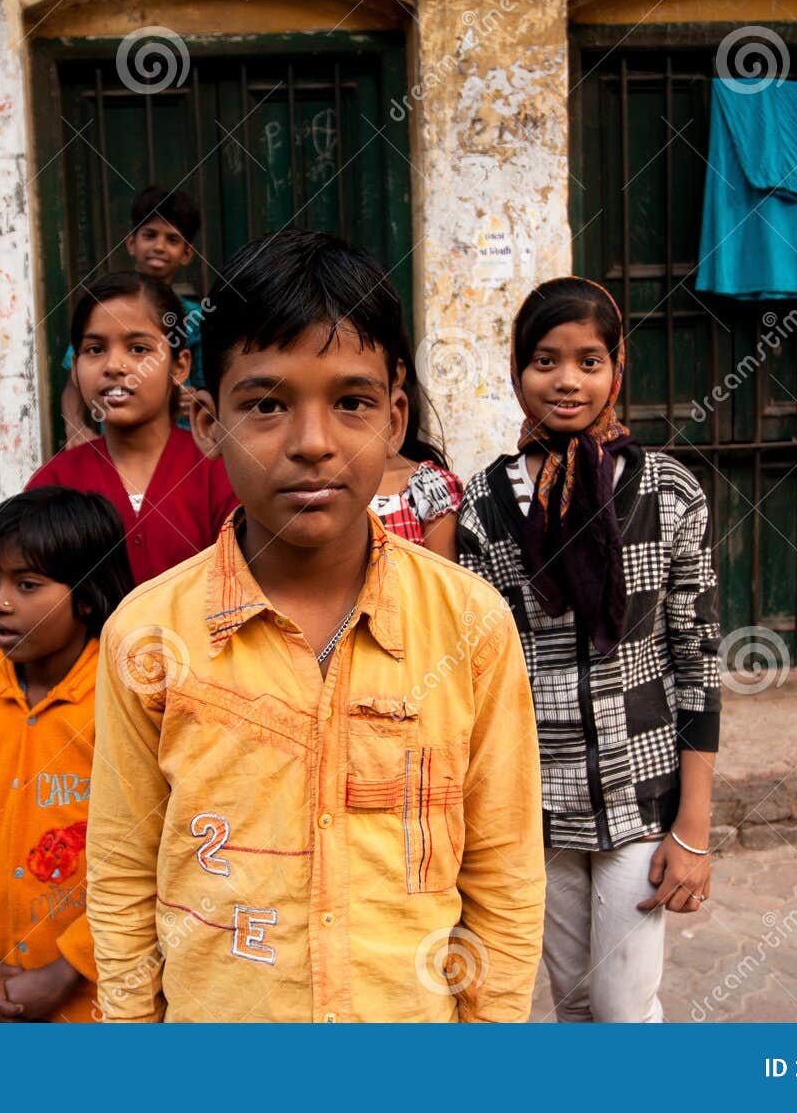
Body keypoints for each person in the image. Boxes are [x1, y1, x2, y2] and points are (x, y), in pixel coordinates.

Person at [86, 228, 545, 1023]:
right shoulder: (149, 635)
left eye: (352, 403)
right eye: (265, 404)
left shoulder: (471, 626)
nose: (311, 443)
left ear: (396, 417)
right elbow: (123, 873)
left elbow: (504, 876)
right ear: (207, 421)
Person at [456, 277, 723, 1023]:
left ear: (617, 369)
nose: (566, 380)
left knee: (624, 1005)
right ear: (516, 372)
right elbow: (481, 672)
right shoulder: (483, 506)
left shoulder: (669, 493)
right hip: (536, 801)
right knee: (571, 1000)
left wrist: (692, 831)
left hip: (641, 796)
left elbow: (698, 660)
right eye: (544, 360)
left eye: (588, 360)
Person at [0, 487, 134, 1023]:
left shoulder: (124, 700)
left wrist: (66, 970)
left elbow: (145, 855)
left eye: (27, 584)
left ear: (86, 595)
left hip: (100, 1004)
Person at [28, 272, 237, 585]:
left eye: (139, 349)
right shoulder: (54, 482)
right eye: (95, 349)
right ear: (75, 367)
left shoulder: (219, 472)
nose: (114, 366)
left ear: (180, 366)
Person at [62, 186, 206, 441]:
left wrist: (197, 399)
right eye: (150, 235)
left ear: (186, 253)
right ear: (131, 242)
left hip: (182, 444)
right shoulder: (103, 309)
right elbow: (73, 388)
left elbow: (214, 389)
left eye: (172, 239)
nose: (159, 247)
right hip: (118, 442)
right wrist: (76, 429)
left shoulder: (196, 318)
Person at [370, 359, 463, 558]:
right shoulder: (309, 488)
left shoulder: (428, 487)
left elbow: (443, 581)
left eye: (350, 403)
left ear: (396, 374)